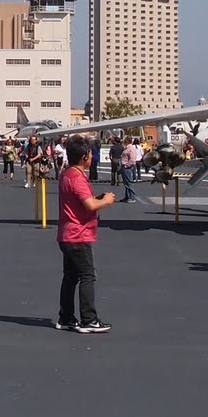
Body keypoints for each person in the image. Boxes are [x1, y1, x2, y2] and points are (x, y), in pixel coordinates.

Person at [56, 135, 115, 333]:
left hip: (67, 234)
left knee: (70, 277)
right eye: (90, 153)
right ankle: (89, 319)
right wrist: (106, 200)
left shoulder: (66, 174)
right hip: (78, 235)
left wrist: (96, 199)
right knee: (87, 276)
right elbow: (89, 205)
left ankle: (66, 317)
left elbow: (81, 201)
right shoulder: (77, 178)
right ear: (84, 157)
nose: (92, 156)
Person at [119, 137, 142, 204]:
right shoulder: (127, 148)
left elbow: (132, 159)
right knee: (126, 182)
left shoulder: (130, 148)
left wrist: (126, 165)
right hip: (124, 166)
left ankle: (132, 197)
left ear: (127, 141)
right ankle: (127, 196)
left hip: (127, 167)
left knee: (128, 182)